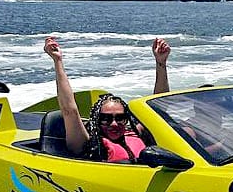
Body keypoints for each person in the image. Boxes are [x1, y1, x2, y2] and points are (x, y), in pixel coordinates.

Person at [43, 36, 171, 162]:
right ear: (97, 121)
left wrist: (161, 63)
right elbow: (69, 111)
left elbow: (158, 109)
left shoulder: (135, 134)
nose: (114, 124)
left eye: (120, 118)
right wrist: (57, 61)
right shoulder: (88, 144)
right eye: (106, 119)